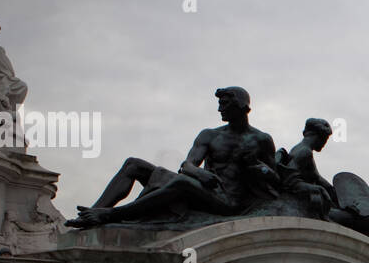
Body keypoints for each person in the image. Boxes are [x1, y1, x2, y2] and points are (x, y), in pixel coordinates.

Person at [67, 87, 278, 228]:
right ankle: (91, 214)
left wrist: (257, 167)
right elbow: (187, 165)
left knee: (181, 183)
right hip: (204, 187)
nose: (219, 108)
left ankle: (111, 214)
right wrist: (198, 172)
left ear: (242, 106)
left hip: (228, 201)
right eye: (219, 103)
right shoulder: (210, 134)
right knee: (134, 164)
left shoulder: (260, 139)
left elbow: (275, 181)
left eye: (225, 104)